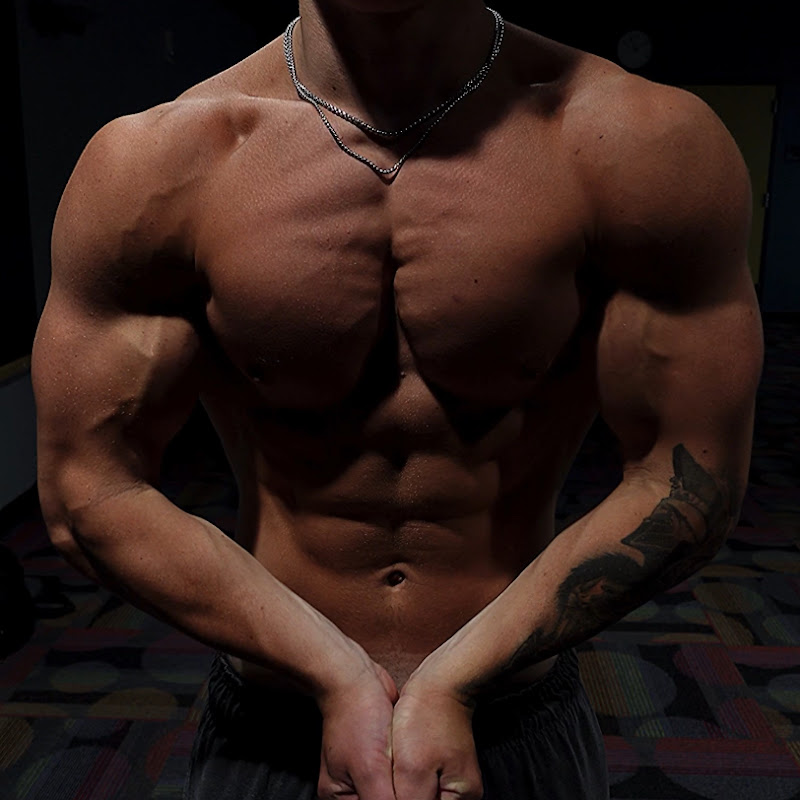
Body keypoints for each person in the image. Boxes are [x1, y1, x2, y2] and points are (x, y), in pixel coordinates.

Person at [31, 0, 764, 798]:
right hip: (273, 720)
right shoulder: (157, 164)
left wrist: (457, 679)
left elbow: (687, 477)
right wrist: (332, 672)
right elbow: (90, 489)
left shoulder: (638, 143)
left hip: (513, 709)